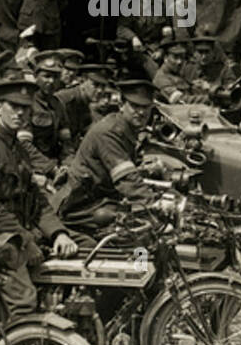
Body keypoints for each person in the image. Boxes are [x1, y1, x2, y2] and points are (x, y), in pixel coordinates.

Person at [0, 79, 83, 314]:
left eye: (25, 108)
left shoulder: (20, 149)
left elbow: (38, 201)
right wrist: (26, 240)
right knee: (25, 301)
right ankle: (21, 340)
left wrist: (58, 233)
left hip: (18, 230)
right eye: (13, 106)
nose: (20, 113)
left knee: (87, 249)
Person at [56, 79, 157, 228]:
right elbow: (127, 180)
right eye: (135, 106)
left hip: (99, 199)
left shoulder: (125, 128)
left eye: (146, 107)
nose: (141, 112)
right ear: (122, 105)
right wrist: (156, 205)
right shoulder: (109, 133)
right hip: (77, 207)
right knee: (133, 233)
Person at [29, 53, 74, 166]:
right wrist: (50, 168)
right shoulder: (27, 103)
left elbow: (66, 142)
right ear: (35, 76)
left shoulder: (58, 104)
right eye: (47, 76)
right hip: (33, 164)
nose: (51, 81)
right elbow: (24, 145)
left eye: (56, 77)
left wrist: (68, 164)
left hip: (55, 163)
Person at [58, 62, 112, 143]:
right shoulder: (64, 99)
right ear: (83, 80)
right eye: (96, 85)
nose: (100, 91)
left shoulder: (86, 104)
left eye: (103, 86)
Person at [152, 39, 195, 103]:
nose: (179, 62)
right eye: (175, 57)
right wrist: (208, 98)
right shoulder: (161, 78)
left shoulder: (178, 74)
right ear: (165, 58)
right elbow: (181, 99)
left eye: (182, 57)